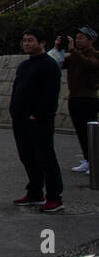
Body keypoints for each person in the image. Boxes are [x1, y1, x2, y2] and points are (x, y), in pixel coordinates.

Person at [11, 27, 64, 212]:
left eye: (30, 40)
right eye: (24, 40)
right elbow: (17, 89)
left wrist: (37, 115)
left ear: (42, 43)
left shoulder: (49, 65)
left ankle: (54, 197)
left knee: (45, 158)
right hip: (20, 120)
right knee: (27, 157)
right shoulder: (24, 65)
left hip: (39, 121)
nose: (26, 43)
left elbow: (50, 94)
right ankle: (35, 192)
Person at [49, 27, 99, 175]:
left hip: (89, 98)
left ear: (91, 40)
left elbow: (89, 64)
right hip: (74, 97)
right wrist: (57, 48)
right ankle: (87, 159)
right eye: (76, 38)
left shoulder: (95, 55)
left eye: (81, 38)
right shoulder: (74, 56)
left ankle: (95, 161)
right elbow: (56, 64)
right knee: (81, 131)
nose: (78, 41)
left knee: (91, 131)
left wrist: (74, 52)